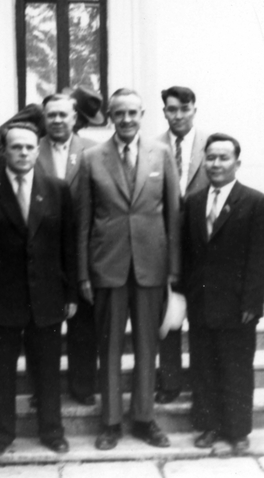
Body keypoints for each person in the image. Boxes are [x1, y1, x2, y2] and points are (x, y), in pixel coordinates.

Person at [0, 122, 78, 457]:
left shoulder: (57, 189)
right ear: (3, 151)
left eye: (29, 147)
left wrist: (70, 294)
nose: (24, 153)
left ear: (38, 150)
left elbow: (67, 247)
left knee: (48, 369)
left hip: (47, 296)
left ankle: (52, 431)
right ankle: (0, 435)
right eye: (16, 147)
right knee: (1, 371)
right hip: (1, 297)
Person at [76, 88, 181, 450]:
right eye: (119, 113)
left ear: (142, 114)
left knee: (147, 346)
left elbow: (173, 214)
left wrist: (174, 270)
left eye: (132, 113)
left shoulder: (161, 153)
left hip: (151, 267)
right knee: (108, 347)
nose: (126, 120)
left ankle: (144, 418)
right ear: (110, 116)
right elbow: (83, 222)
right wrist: (83, 274)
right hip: (108, 266)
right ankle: (110, 423)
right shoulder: (92, 158)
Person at [181, 133, 264, 454]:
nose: (216, 164)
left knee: (236, 366)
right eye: (210, 157)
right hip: (201, 301)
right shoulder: (192, 202)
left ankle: (237, 430)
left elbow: (262, 257)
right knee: (203, 365)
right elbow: (186, 253)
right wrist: (184, 295)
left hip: (237, 305)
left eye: (223, 158)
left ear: (237, 162)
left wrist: (252, 302)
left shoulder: (255, 202)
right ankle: (208, 425)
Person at [35, 93, 100, 406]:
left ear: (75, 118)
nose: (58, 121)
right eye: (52, 115)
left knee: (83, 323)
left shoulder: (93, 151)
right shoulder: (30, 150)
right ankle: (41, 389)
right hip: (42, 250)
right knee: (40, 325)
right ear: (44, 119)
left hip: (82, 247)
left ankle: (82, 385)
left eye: (63, 115)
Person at [155, 86, 211, 404]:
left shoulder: (211, 145)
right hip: (165, 247)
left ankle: (202, 382)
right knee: (168, 317)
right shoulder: (152, 147)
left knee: (202, 319)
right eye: (172, 109)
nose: (178, 115)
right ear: (164, 112)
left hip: (203, 248)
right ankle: (170, 382)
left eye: (184, 109)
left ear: (194, 110)